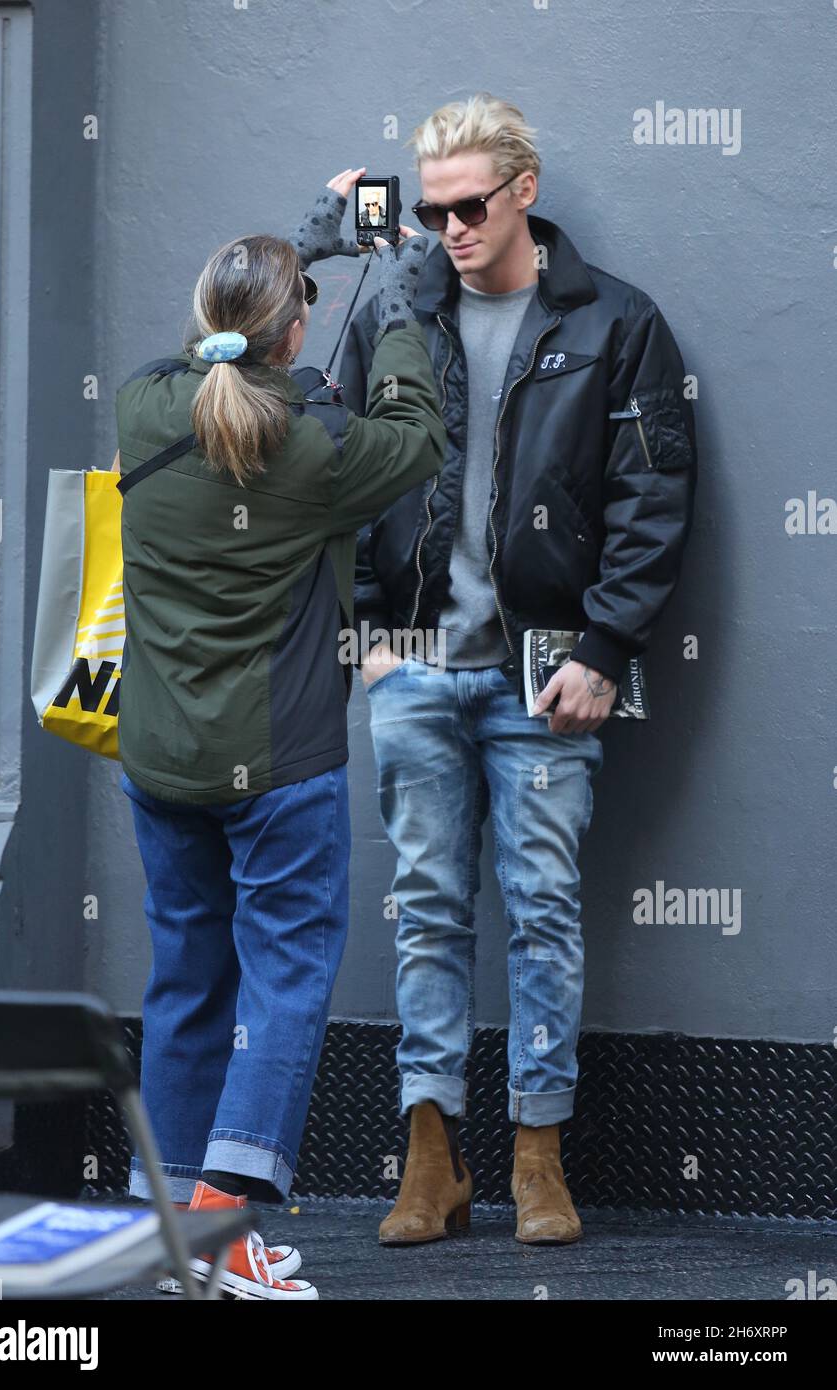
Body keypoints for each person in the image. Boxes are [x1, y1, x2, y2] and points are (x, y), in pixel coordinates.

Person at [340, 95, 697, 1246]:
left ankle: (537, 1157)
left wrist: (605, 645)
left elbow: (654, 494)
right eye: (430, 206)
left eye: (469, 205)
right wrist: (368, 630)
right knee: (427, 912)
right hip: (418, 662)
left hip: (544, 672)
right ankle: (429, 1159)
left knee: (542, 909)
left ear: (523, 192)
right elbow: (337, 463)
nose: (447, 226)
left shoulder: (613, 323)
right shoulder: (395, 311)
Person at [111, 168, 445, 1297]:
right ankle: (222, 1228)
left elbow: (216, 347)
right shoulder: (311, 449)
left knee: (185, 983)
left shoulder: (145, 403)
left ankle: (167, 1233)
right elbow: (416, 432)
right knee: (283, 981)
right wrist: (397, 295)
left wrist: (305, 247)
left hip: (159, 766)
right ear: (296, 332)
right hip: (277, 772)